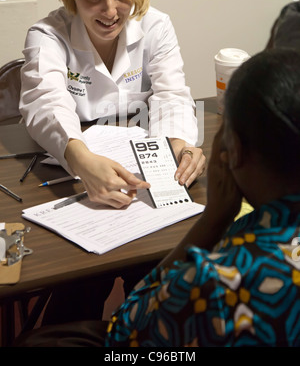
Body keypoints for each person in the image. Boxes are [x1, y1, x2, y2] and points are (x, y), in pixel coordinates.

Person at [14, 47, 300, 347]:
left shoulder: (215, 279)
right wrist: (79, 156)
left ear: (234, 151)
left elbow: (126, 329)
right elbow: (46, 101)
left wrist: (214, 217)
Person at [19, 0, 205, 210]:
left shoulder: (156, 25)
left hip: (138, 159)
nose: (109, 11)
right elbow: (46, 103)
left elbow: (172, 95)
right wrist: (82, 161)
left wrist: (178, 147)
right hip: (65, 163)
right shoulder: (46, 35)